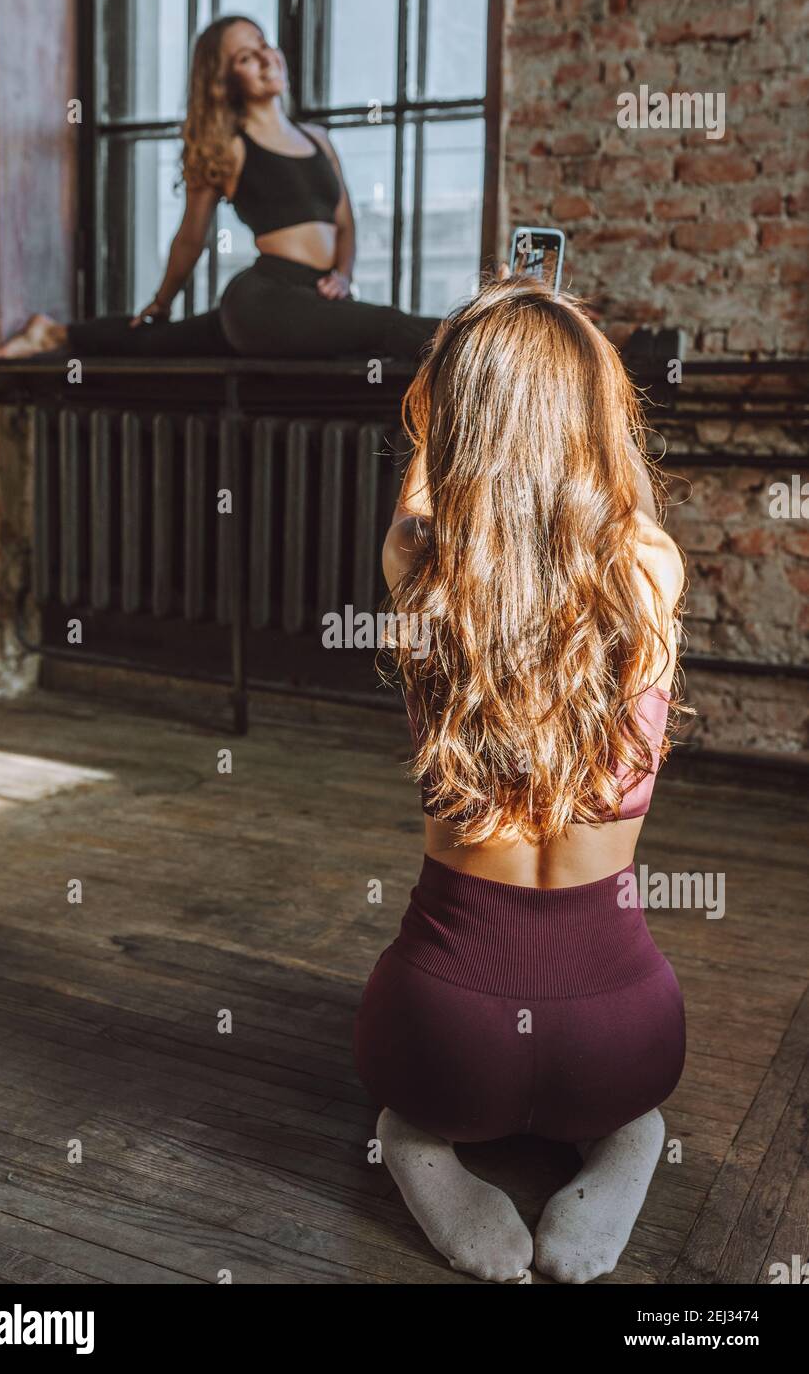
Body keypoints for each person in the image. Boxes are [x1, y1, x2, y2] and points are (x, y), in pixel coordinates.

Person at [353, 270, 689, 1285]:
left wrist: (456, 415)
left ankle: (425, 1155)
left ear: (452, 432)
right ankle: (620, 1146)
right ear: (598, 419)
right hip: (625, 1038)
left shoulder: (421, 576)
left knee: (405, 1112)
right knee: (634, 1114)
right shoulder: (650, 568)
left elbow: (425, 503)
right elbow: (614, 490)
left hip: (439, 1038)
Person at [0, 15, 442, 363]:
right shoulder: (230, 148)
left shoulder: (318, 138)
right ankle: (480, 339)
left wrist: (343, 273)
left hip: (312, 298)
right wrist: (162, 300)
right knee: (387, 326)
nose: (266, 58)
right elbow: (192, 236)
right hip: (266, 298)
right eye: (246, 57)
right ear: (225, 82)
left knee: (164, 343)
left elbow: (345, 223)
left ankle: (56, 334)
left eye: (264, 45)